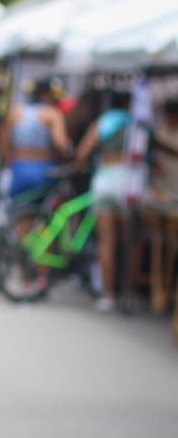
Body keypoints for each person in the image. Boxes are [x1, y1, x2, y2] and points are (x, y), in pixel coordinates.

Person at [76, 90, 134, 313]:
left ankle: (108, 295)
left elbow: (83, 151)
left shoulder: (106, 121)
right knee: (131, 240)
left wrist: (82, 163)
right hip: (129, 182)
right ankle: (129, 293)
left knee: (106, 242)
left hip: (106, 179)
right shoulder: (138, 123)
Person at [0, 79, 70, 209]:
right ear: (46, 95)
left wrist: (11, 161)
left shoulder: (15, 112)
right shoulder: (52, 114)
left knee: (21, 215)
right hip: (43, 169)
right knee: (46, 213)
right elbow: (60, 143)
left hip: (19, 167)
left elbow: (3, 141)